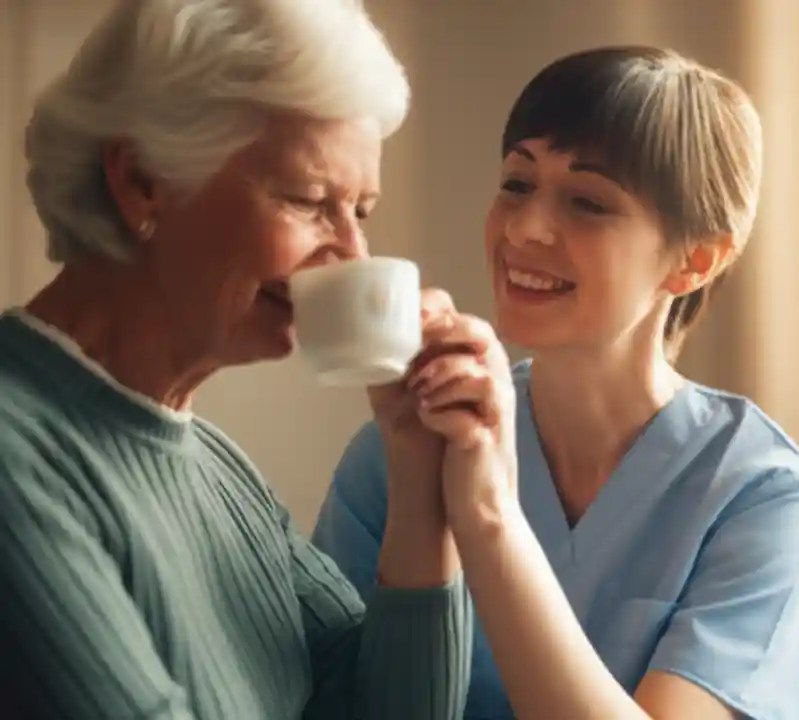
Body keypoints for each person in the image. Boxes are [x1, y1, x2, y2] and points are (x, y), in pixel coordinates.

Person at [315, 46, 799, 719]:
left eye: (588, 202)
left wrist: (488, 519)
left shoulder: (762, 494)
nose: (525, 228)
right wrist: (425, 493)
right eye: (517, 184)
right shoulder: (399, 451)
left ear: (695, 260)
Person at [0, 1, 471, 717]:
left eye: (362, 212)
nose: (352, 256)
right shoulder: (18, 455)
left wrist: (422, 480)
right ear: (143, 182)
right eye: (311, 201)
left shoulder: (217, 466)